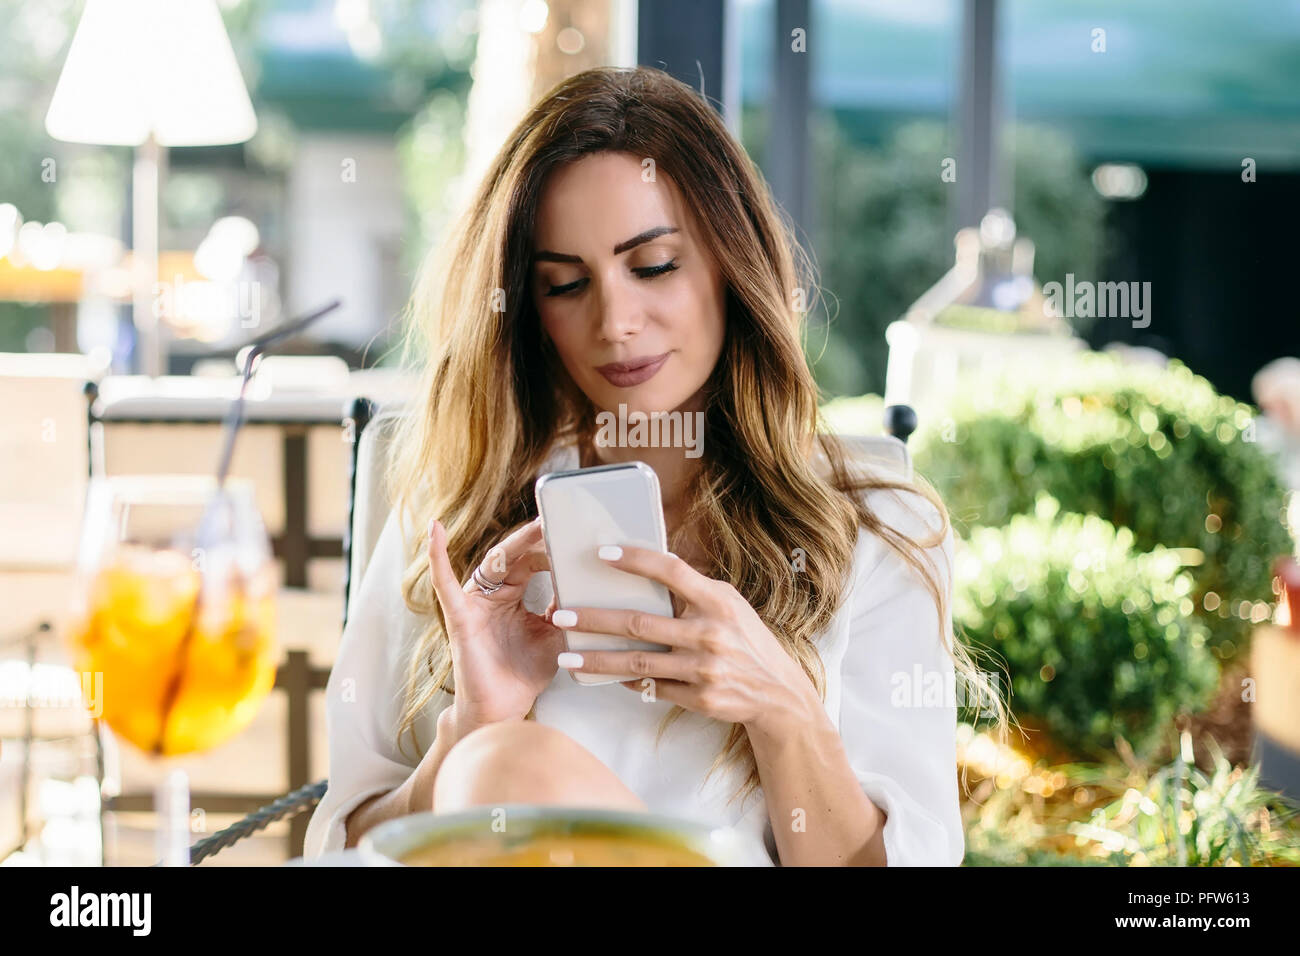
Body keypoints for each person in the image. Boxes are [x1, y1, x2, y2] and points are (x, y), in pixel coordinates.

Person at [303, 65, 1005, 866]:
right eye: (566, 285)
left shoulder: (876, 527)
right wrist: (471, 726)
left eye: (654, 266)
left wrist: (781, 710)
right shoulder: (457, 519)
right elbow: (346, 850)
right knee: (499, 762)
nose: (616, 321)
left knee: (509, 768)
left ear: (730, 264)